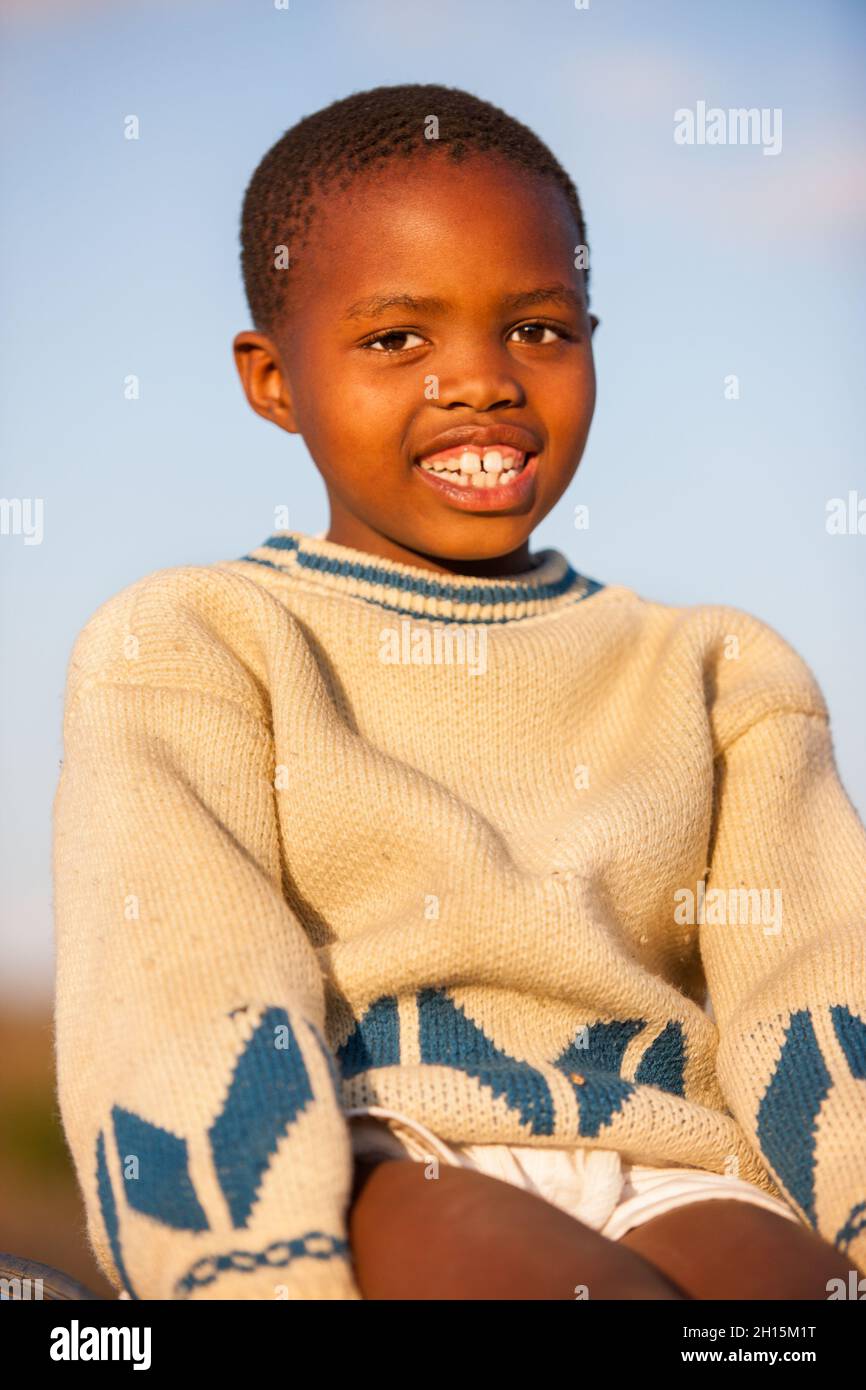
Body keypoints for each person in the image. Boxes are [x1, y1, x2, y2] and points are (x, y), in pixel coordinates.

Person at [52, 83, 866, 1301]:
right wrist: (246, 1270)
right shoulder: (192, 641)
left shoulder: (720, 673)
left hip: (679, 1165)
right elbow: (176, 985)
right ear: (272, 380)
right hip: (379, 1157)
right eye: (396, 340)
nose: (480, 380)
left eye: (537, 329)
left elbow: (814, 985)